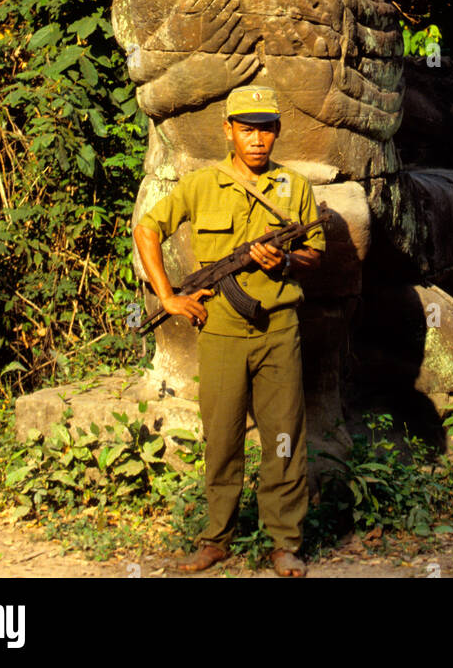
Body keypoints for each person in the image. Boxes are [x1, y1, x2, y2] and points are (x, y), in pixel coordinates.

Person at [133, 85, 325, 577]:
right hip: (219, 329)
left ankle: (284, 543)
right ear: (228, 131)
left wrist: (285, 257)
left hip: (279, 328)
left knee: (283, 437)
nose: (257, 140)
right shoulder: (201, 185)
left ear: (277, 132)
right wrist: (168, 297)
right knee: (221, 438)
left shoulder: (294, 187)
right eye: (247, 130)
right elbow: (148, 229)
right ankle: (216, 538)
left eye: (266, 129)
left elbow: (317, 253)